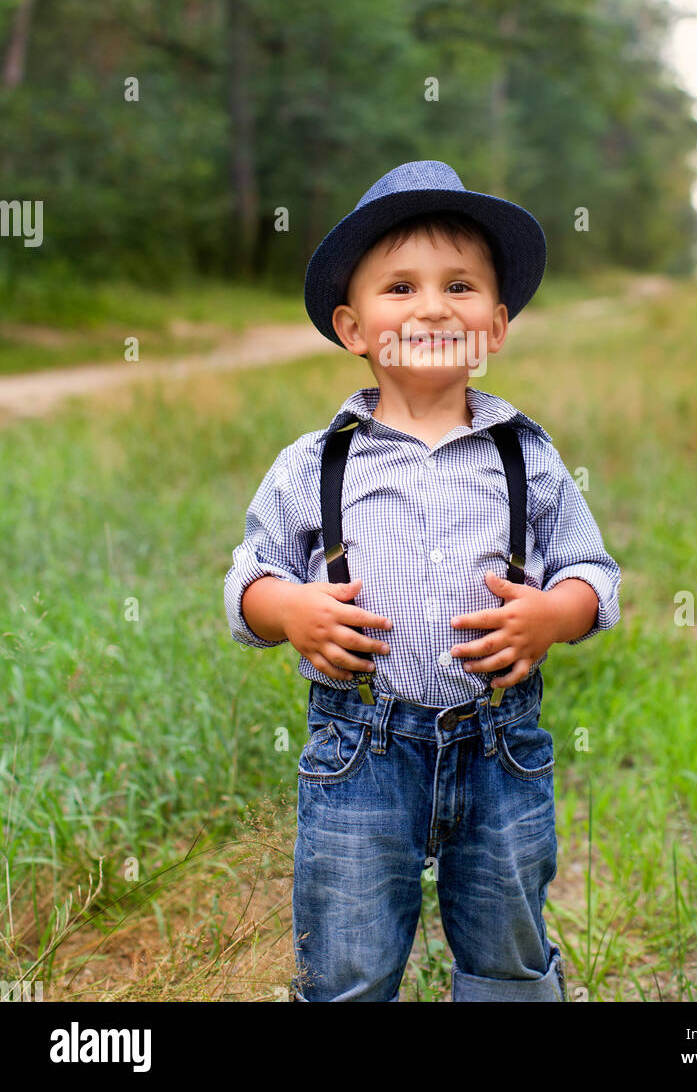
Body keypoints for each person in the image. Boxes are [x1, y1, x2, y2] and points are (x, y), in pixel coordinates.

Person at [224, 159, 622, 1001]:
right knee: (348, 953)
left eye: (462, 286)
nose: (434, 306)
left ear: (496, 326)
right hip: (360, 746)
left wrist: (554, 614)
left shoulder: (529, 457)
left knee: (507, 941)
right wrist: (288, 608)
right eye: (400, 287)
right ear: (353, 326)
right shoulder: (315, 463)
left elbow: (594, 572)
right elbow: (248, 580)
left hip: (499, 747)